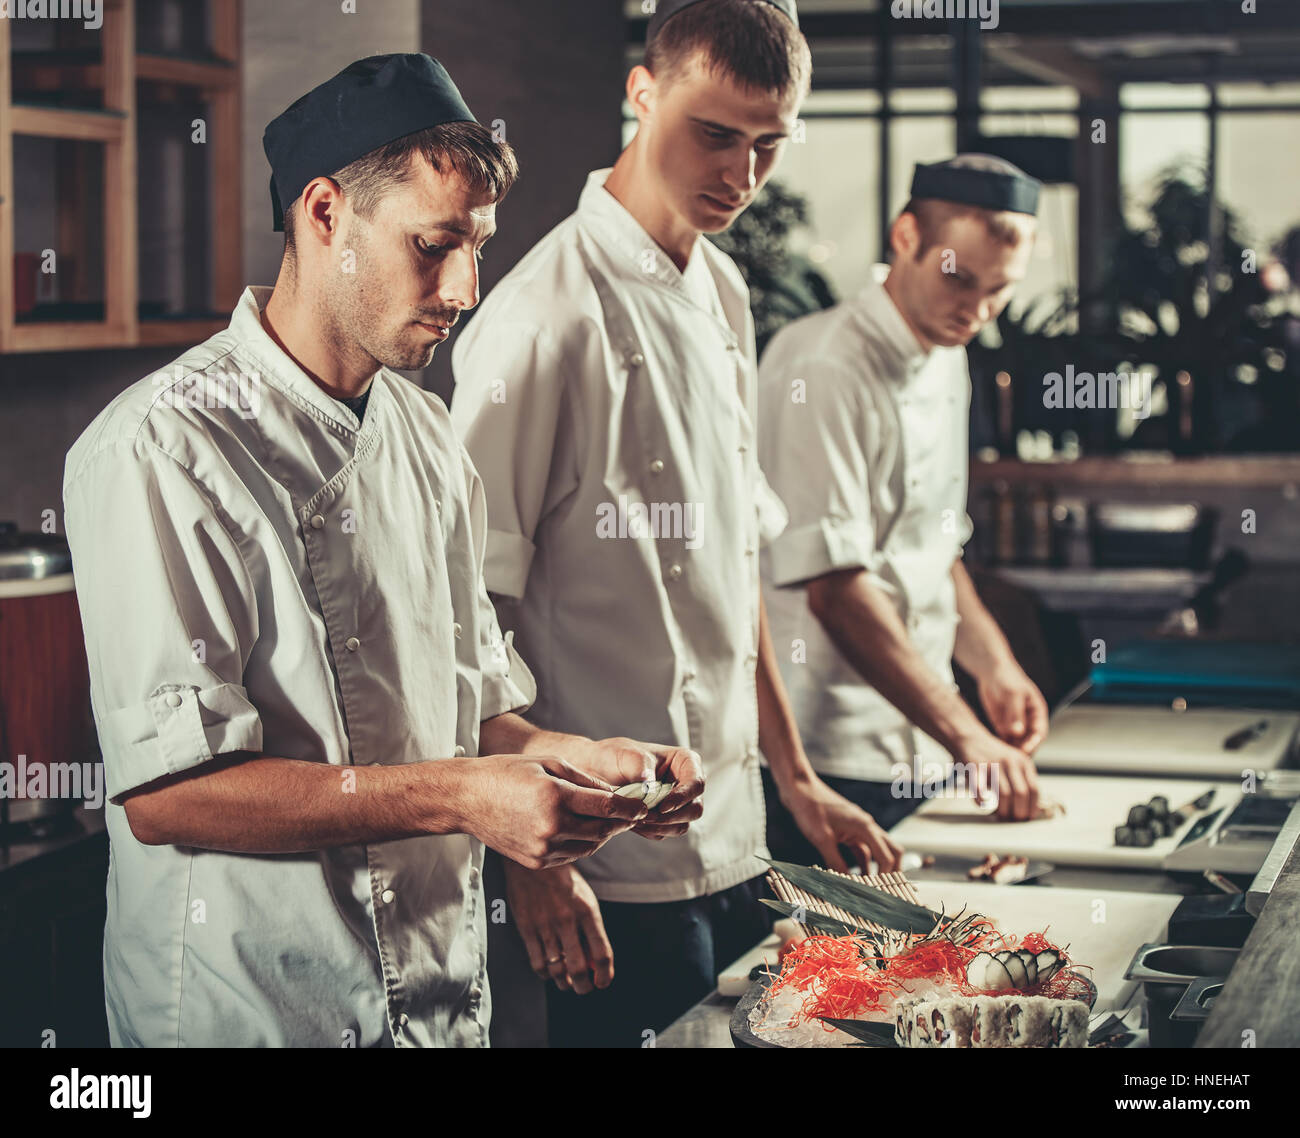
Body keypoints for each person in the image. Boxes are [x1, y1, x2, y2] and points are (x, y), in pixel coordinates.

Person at [62, 53, 702, 1049]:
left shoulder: (425, 431)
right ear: (324, 214)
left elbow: (474, 710)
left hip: (439, 1001)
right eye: (435, 244)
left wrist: (574, 767)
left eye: (478, 247)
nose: (466, 286)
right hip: (255, 1012)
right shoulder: (165, 444)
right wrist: (462, 796)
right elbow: (168, 793)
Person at [450, 0, 901, 1050]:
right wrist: (537, 862)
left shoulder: (725, 291)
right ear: (640, 93)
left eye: (767, 145)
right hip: (605, 863)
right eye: (714, 133)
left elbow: (733, 568)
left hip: (737, 832)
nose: (741, 174)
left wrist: (794, 781)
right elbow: (464, 616)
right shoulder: (540, 314)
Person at [757, 154, 1051, 870]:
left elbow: (930, 547)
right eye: (959, 279)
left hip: (924, 739)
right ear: (906, 237)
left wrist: (994, 666)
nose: (977, 311)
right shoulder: (821, 365)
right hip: (832, 755)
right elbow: (835, 585)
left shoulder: (946, 354)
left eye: (998, 292)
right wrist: (968, 736)